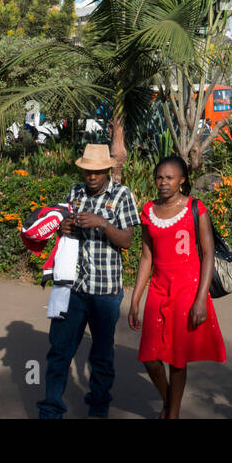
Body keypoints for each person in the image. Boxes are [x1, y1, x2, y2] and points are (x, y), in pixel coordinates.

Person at [37, 143, 141, 419]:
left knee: (101, 356)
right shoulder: (75, 192)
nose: (91, 177)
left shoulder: (122, 195)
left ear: (107, 170)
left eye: (97, 172)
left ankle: (98, 410)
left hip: (105, 291)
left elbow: (127, 241)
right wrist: (64, 227)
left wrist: (102, 224)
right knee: (59, 351)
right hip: (72, 288)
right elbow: (63, 231)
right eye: (87, 172)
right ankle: (50, 411)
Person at [129, 155, 226, 418]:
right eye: (159, 177)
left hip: (188, 290)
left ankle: (173, 412)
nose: (163, 182)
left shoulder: (196, 208)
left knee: (177, 358)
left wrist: (200, 299)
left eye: (169, 178)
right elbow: (146, 257)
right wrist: (135, 299)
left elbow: (208, 254)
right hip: (158, 289)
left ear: (182, 180)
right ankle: (168, 400)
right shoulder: (148, 210)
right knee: (150, 357)